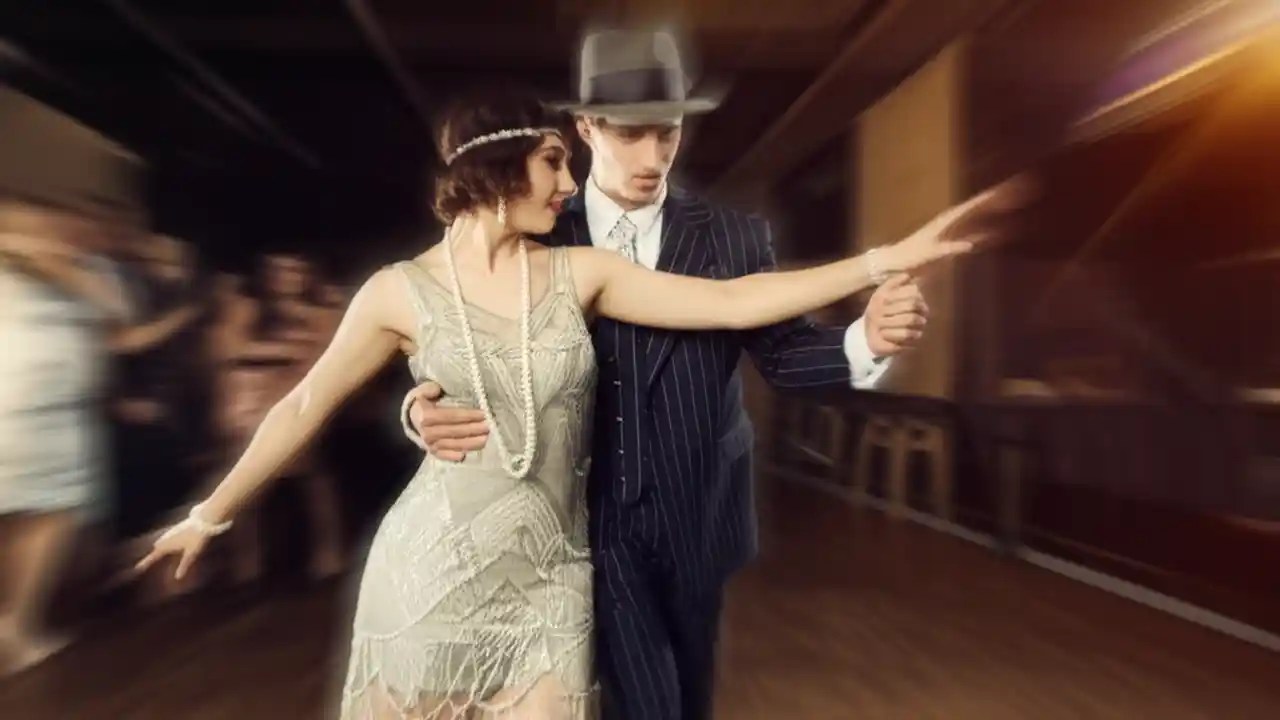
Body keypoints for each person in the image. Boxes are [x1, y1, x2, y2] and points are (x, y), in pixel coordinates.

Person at [136, 84, 1009, 718]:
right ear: (498, 166)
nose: (568, 182)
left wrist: (880, 262)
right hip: (432, 572)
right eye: (554, 161)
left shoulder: (581, 271)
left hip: (554, 574)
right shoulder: (396, 292)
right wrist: (209, 515)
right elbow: (302, 406)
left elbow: (734, 302)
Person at [400, 28, 1020, 720]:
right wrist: (422, 407)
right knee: (645, 701)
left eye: (667, 133)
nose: (653, 156)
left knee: (687, 695)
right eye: (630, 134)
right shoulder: (538, 232)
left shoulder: (734, 236)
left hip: (699, 514)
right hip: (579, 518)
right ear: (586, 128)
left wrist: (863, 341)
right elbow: (457, 332)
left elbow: (785, 356)